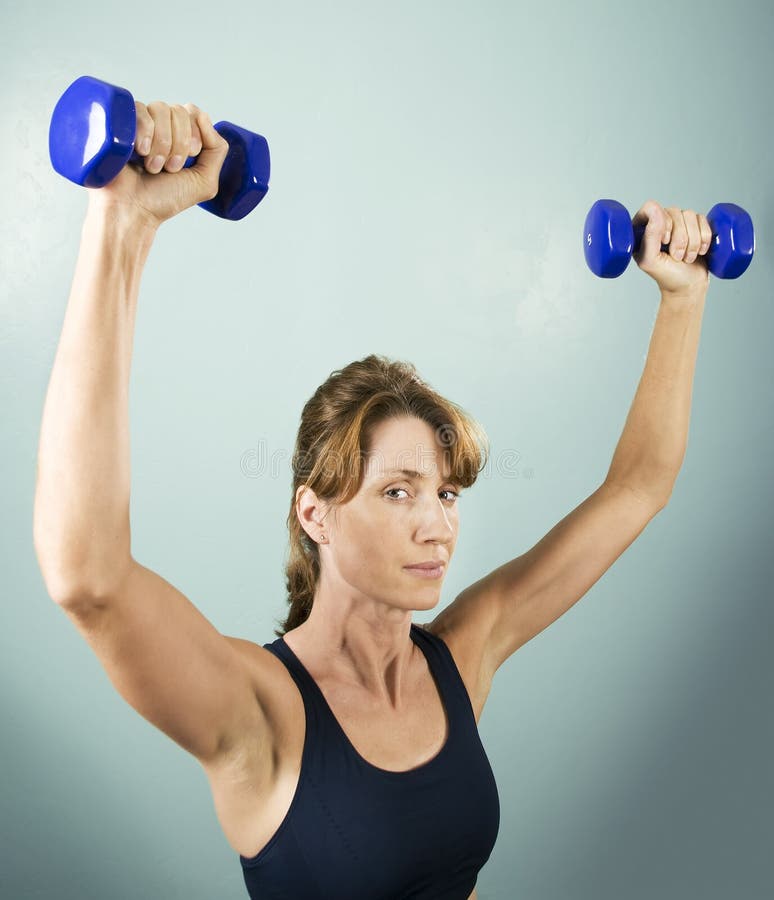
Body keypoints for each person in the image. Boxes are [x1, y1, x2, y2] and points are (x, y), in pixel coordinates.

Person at [33, 97, 711, 900]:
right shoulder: (259, 712)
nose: (438, 526)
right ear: (313, 513)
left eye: (446, 492)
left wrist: (683, 299)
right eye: (397, 491)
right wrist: (123, 225)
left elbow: (638, 487)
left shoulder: (462, 656)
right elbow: (89, 580)